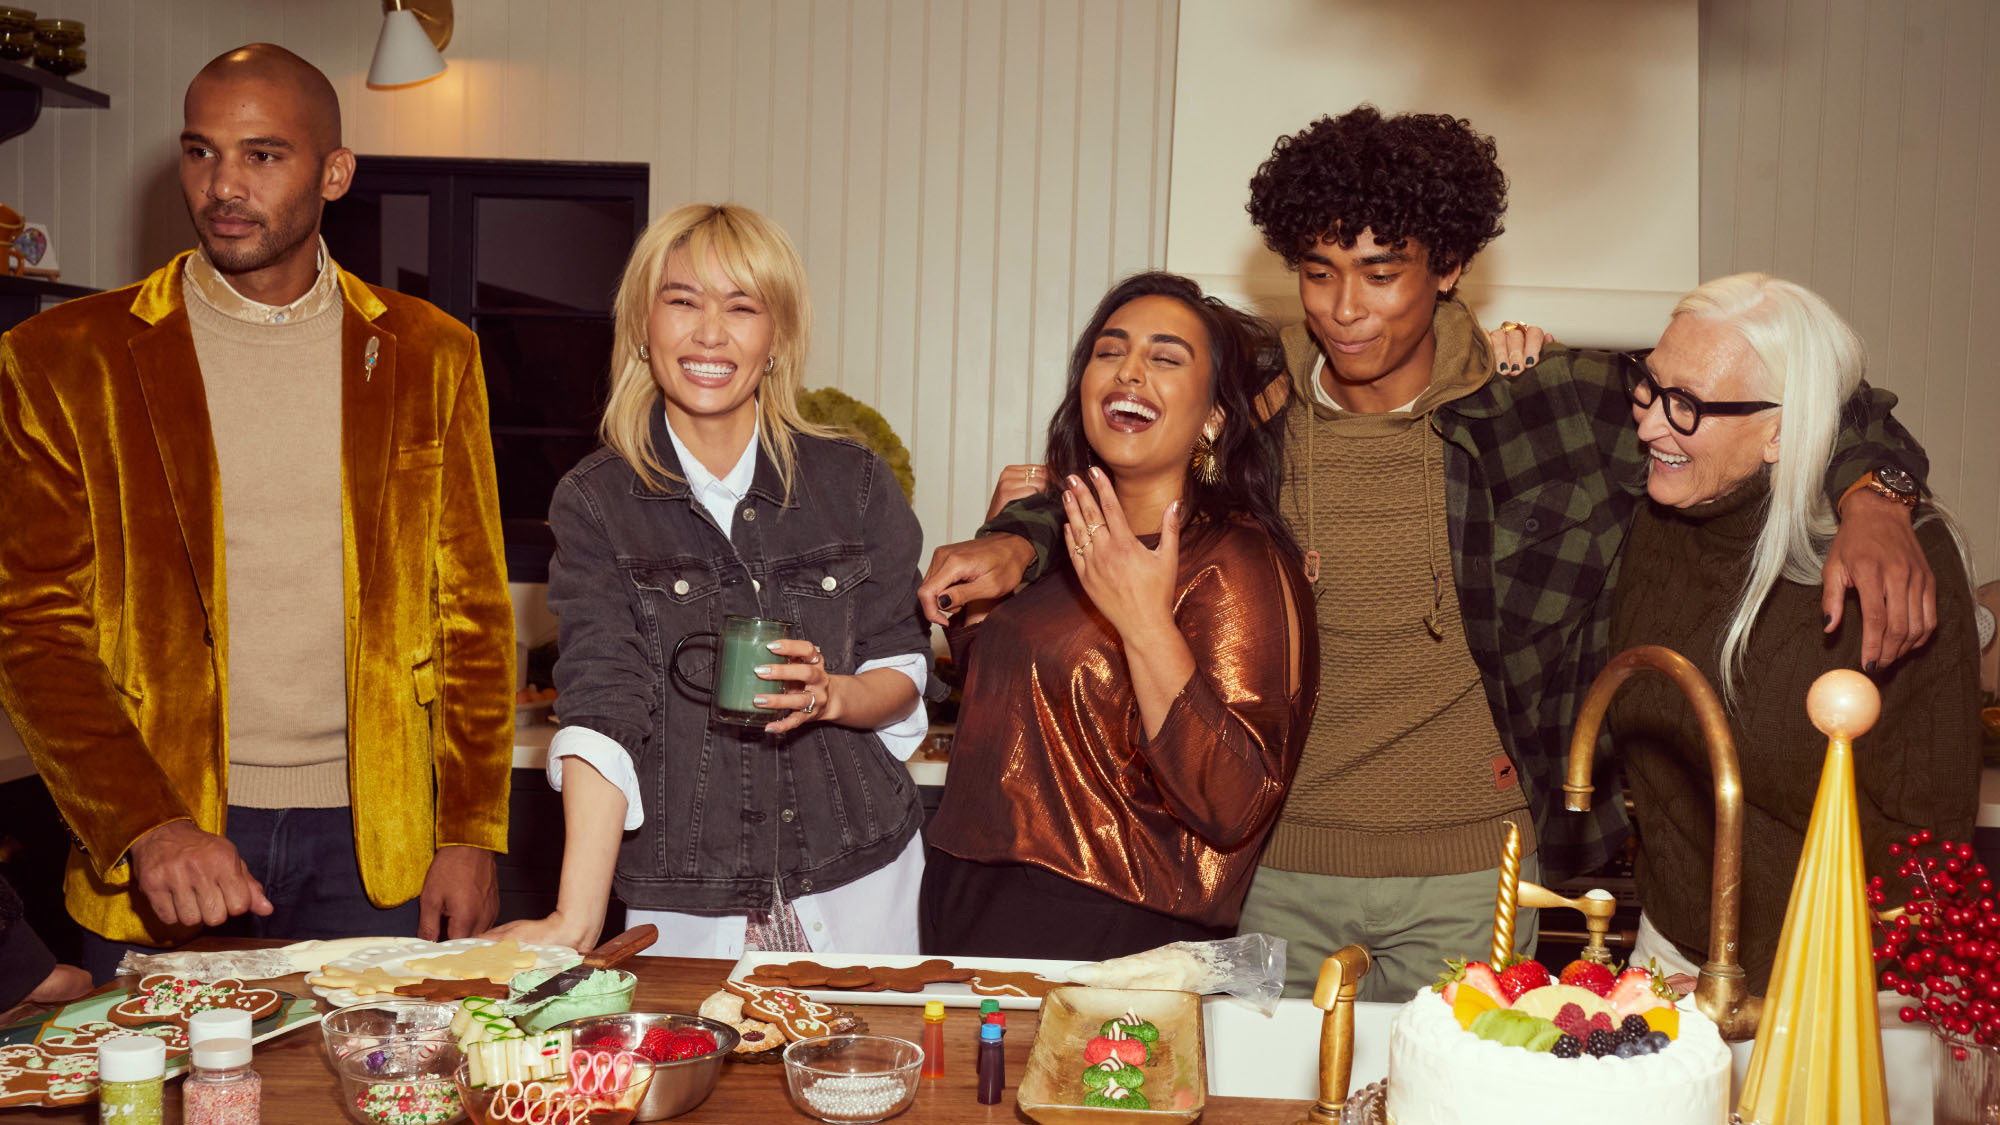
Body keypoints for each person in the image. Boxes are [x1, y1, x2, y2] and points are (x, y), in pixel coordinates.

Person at [919, 106, 1936, 1000]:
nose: (1343, 309)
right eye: (1316, 273)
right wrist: (1020, 541)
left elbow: (1793, 399)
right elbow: (1123, 475)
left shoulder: (1556, 405)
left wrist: (1875, 498)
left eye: (1379, 272)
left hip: (1477, 879)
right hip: (1268, 872)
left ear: (1446, 268)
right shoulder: (1257, 421)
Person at [0, 45, 514, 980]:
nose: (223, 186)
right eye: (201, 153)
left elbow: (472, 615)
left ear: (334, 173)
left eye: (263, 156)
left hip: (382, 847)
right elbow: (34, 629)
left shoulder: (430, 354)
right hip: (167, 839)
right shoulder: (62, 357)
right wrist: (145, 825)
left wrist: (471, 830)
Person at [487, 204, 933, 958]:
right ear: (641, 324)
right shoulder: (596, 502)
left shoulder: (853, 482)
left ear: (777, 336)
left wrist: (834, 695)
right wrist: (575, 917)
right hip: (687, 902)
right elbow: (602, 705)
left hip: (860, 880)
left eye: (741, 306)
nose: (709, 333)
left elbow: (903, 661)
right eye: (683, 300)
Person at [920, 273, 1316, 961]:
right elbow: (1019, 718)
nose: (1130, 371)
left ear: (1215, 414)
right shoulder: (1056, 538)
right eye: (1110, 351)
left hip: (1111, 929)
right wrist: (983, 592)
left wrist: (1144, 624)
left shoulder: (1235, 558)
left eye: (1166, 358)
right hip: (966, 895)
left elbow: (1237, 800)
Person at [1607, 274, 1980, 993]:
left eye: (1686, 404)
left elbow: (1927, 845)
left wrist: (1764, 991)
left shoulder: (1893, 564)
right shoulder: (1662, 503)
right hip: (1672, 955)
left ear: (1783, 427)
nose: (1650, 422)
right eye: (1649, 386)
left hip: (1835, 983)